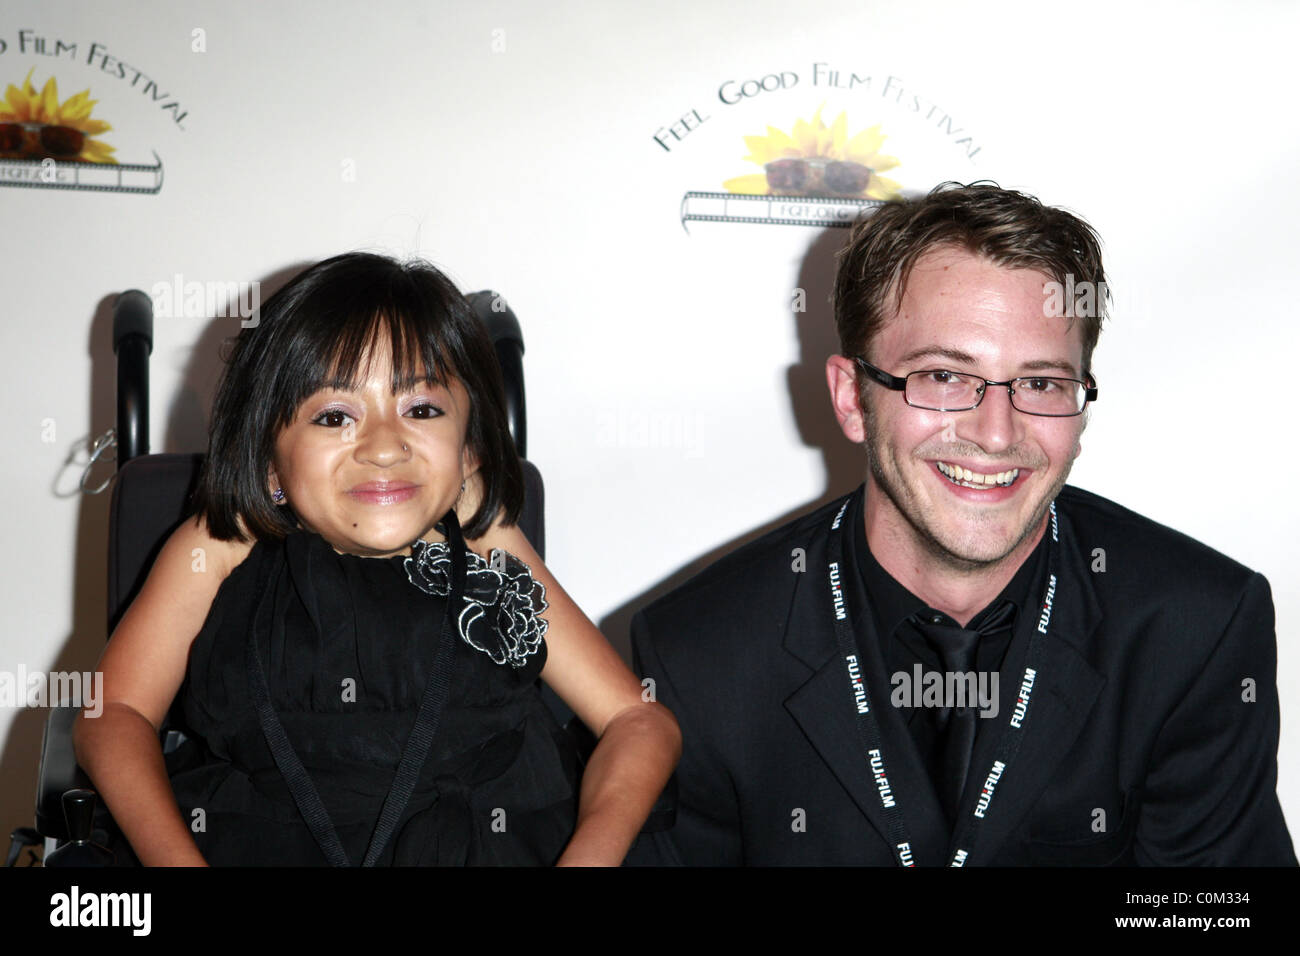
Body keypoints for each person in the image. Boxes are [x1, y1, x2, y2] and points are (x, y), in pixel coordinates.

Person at [627, 183, 1295, 866]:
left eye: (1040, 384)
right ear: (852, 398)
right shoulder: (699, 654)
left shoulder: (1194, 628)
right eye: (944, 376)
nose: (996, 434)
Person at [74, 252, 680, 866]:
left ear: (469, 450)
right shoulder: (224, 542)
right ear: (267, 459)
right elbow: (113, 713)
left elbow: (638, 721)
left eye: (421, 409)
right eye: (335, 416)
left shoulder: (481, 533)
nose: (385, 447)